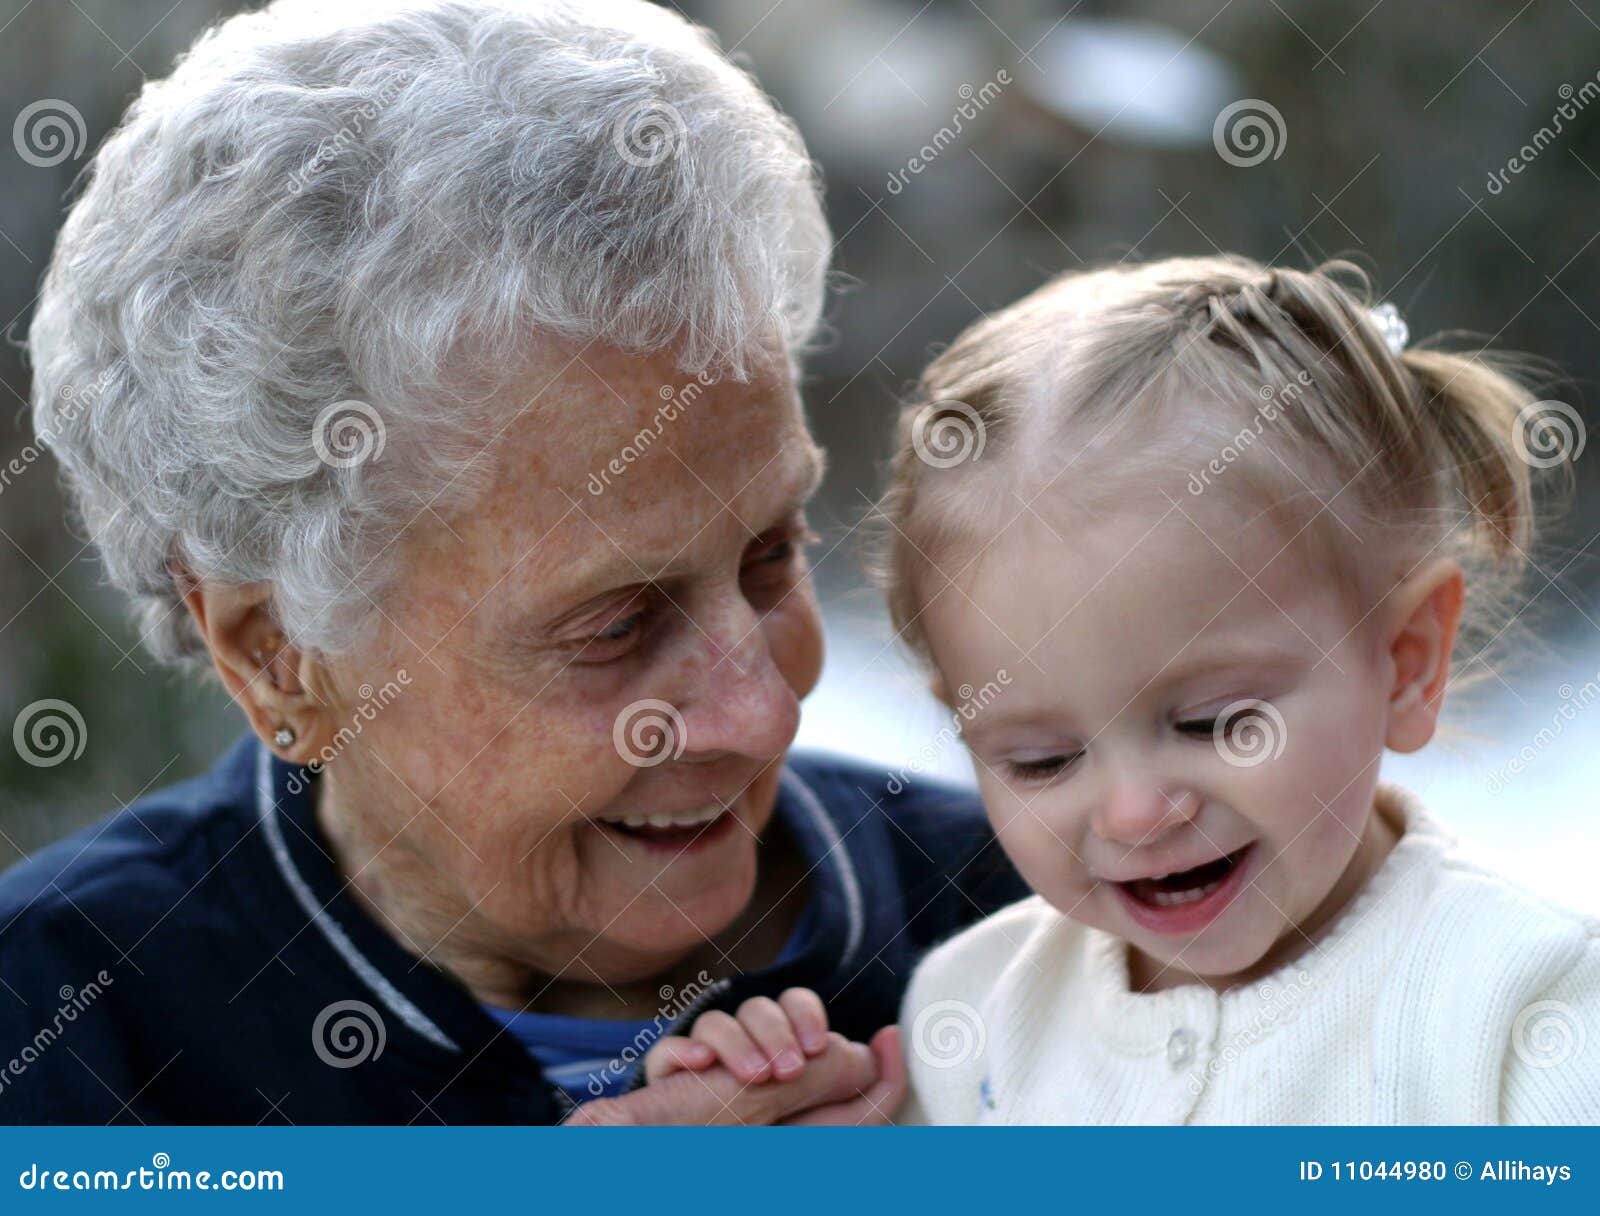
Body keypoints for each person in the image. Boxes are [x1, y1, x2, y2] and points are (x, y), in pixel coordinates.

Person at [0, 0, 1023, 1125]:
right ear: (277, 657)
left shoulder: (1068, 917)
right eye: (615, 624)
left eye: (771, 556)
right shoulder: (60, 1024)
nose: (762, 710)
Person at [872, 255, 1600, 1123]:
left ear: (1405, 661)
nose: (1135, 815)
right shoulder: (972, 1014)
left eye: (1217, 724)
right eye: (1043, 760)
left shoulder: (1527, 1010)